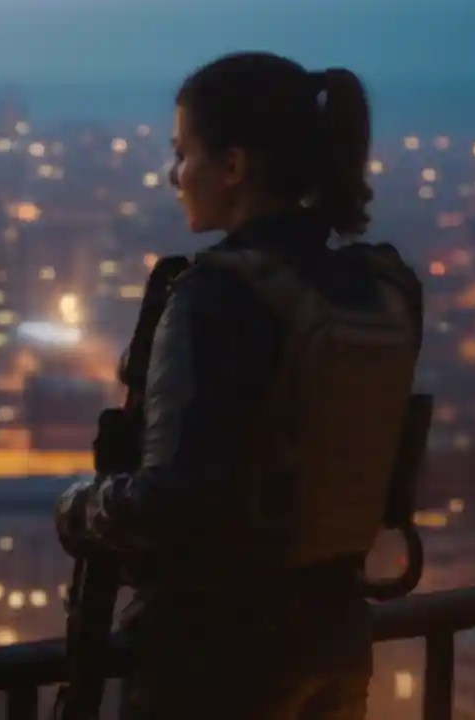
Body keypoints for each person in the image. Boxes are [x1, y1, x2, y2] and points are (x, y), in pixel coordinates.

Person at [55, 52, 423, 719]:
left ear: (233, 167)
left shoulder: (217, 295)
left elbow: (177, 499)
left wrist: (84, 506)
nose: (175, 175)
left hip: (218, 655)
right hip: (338, 634)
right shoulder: (378, 286)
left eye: (183, 153)